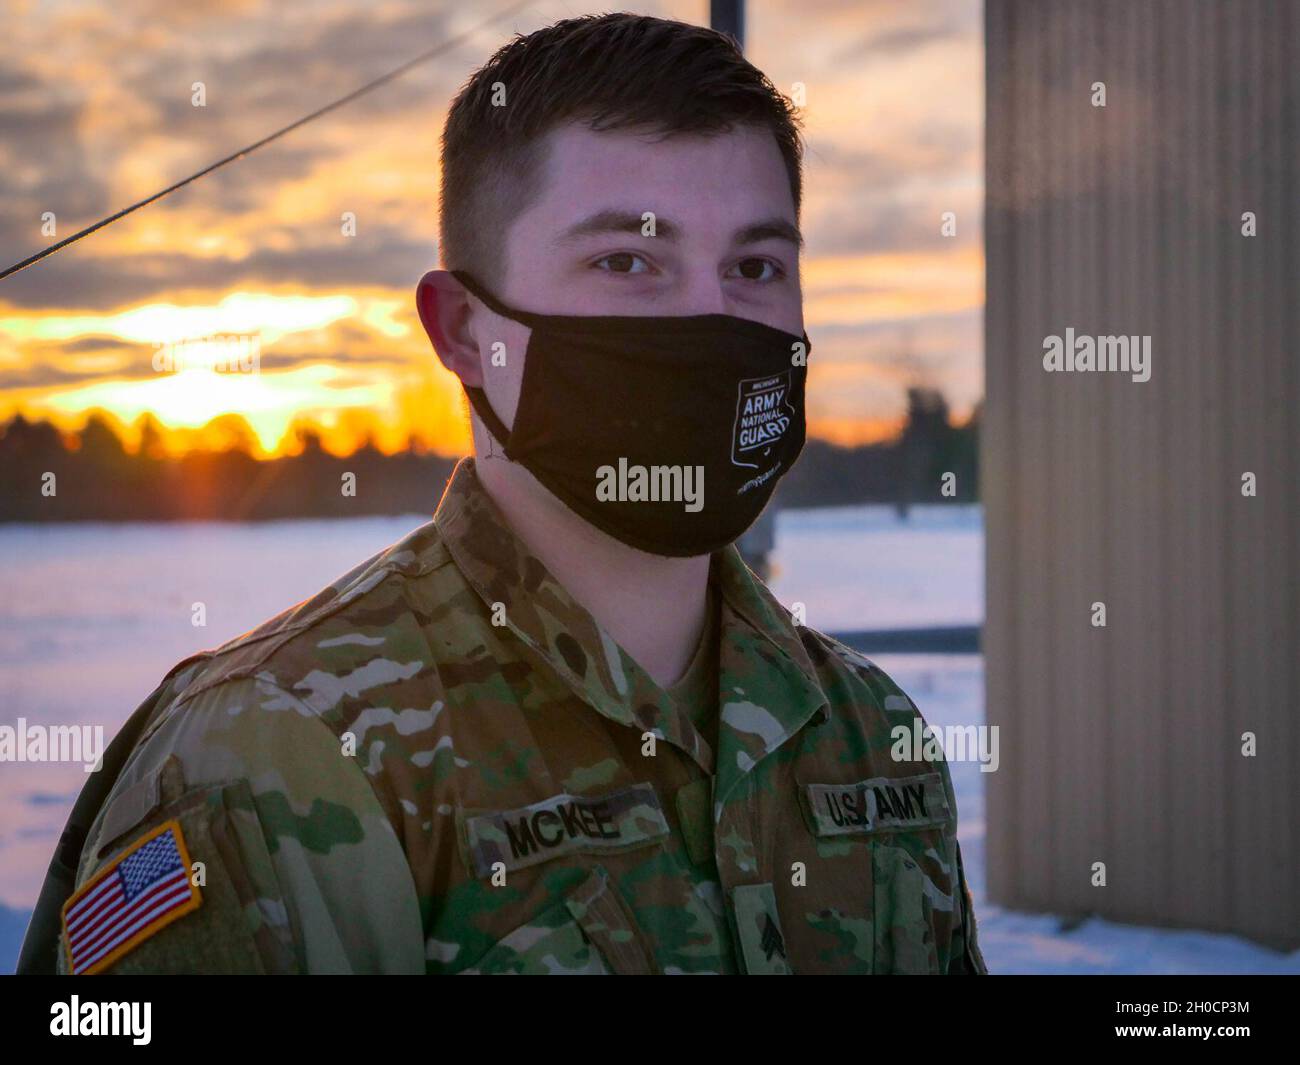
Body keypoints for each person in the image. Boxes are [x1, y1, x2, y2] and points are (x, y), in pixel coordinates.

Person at [18, 12, 986, 975]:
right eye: (628, 262)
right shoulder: (281, 758)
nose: (711, 317)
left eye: (755, 267)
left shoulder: (869, 736)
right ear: (462, 329)